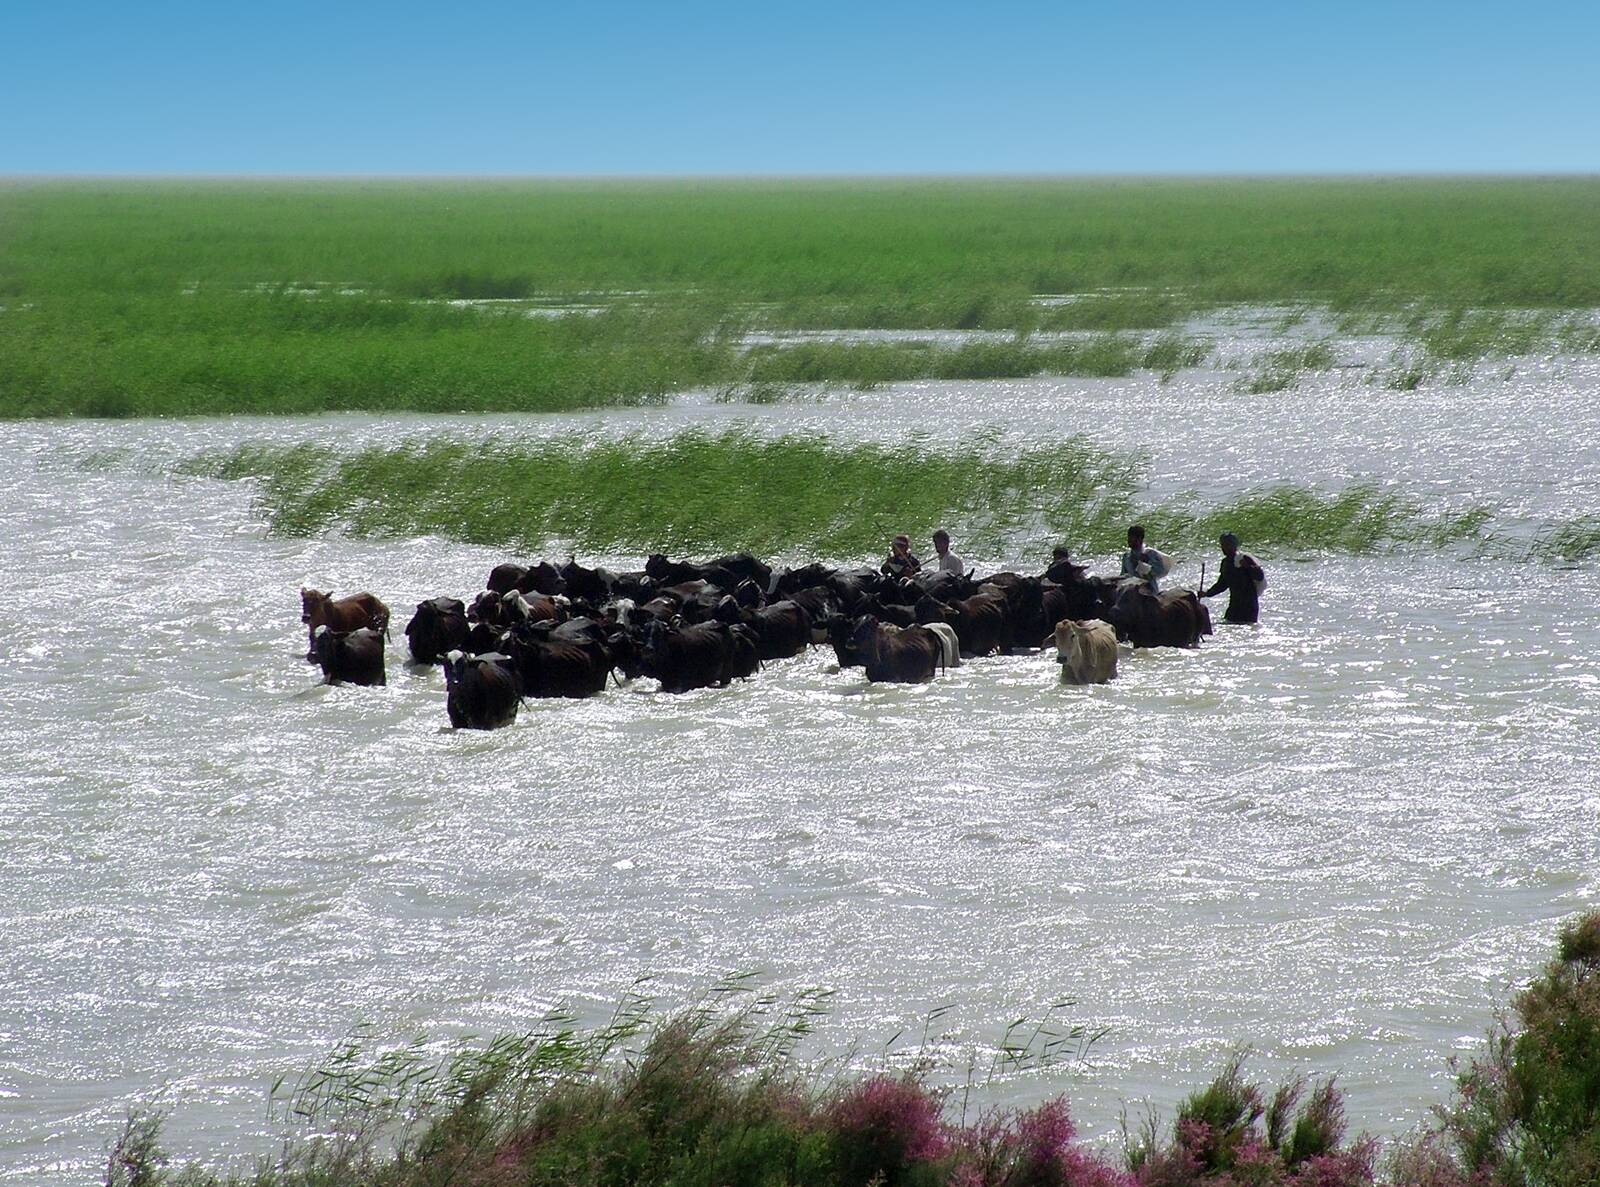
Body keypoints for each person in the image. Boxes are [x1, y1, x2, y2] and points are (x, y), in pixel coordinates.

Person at [1200, 532, 1266, 624]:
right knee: (1228, 624)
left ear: (1234, 546)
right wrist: (1207, 593)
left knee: (1246, 627)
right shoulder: (1225, 563)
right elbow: (1222, 584)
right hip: (1234, 605)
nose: (1224, 548)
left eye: (1228, 545)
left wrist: (1247, 566)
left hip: (1249, 606)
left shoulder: (1243, 558)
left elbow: (1259, 576)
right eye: (1223, 545)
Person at [1119, 524, 1171, 592]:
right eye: (1129, 537)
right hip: (1132, 591)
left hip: (1149, 591)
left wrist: (1147, 563)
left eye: (1133, 538)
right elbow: (1123, 575)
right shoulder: (1126, 557)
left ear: (1140, 539)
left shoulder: (1150, 554)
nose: (1129, 540)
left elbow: (1160, 571)